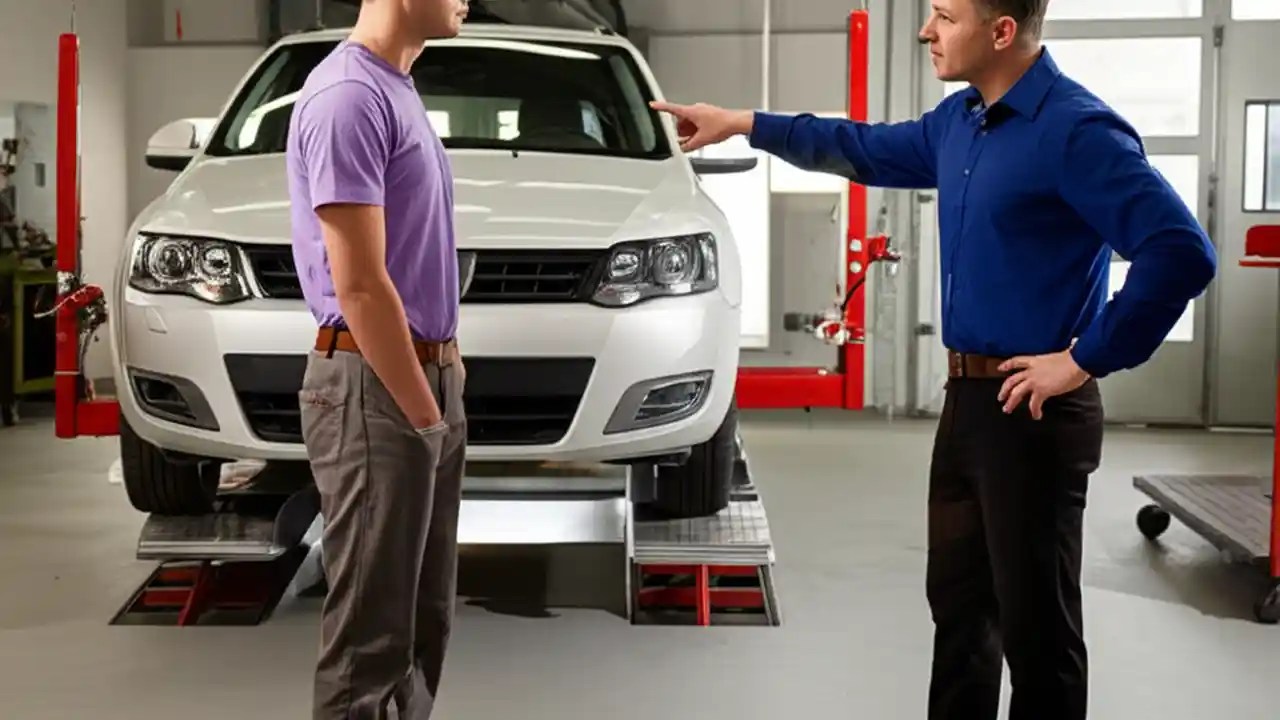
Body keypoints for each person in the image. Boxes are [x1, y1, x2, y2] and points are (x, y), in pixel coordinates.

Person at [650, 1, 1216, 719]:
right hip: (968, 404)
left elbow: (1180, 252)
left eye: (945, 16)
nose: (926, 31)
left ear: (1001, 32)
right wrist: (743, 123)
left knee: (1038, 636)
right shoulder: (961, 122)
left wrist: (1083, 359)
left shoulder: (1077, 132)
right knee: (960, 616)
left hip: (1035, 410)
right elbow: (858, 145)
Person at [285, 0, 471, 717]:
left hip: (421, 376)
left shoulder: (395, 87)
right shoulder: (348, 97)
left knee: (422, 621)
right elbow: (359, 285)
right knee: (369, 640)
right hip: (375, 385)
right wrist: (424, 413)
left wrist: (447, 367)